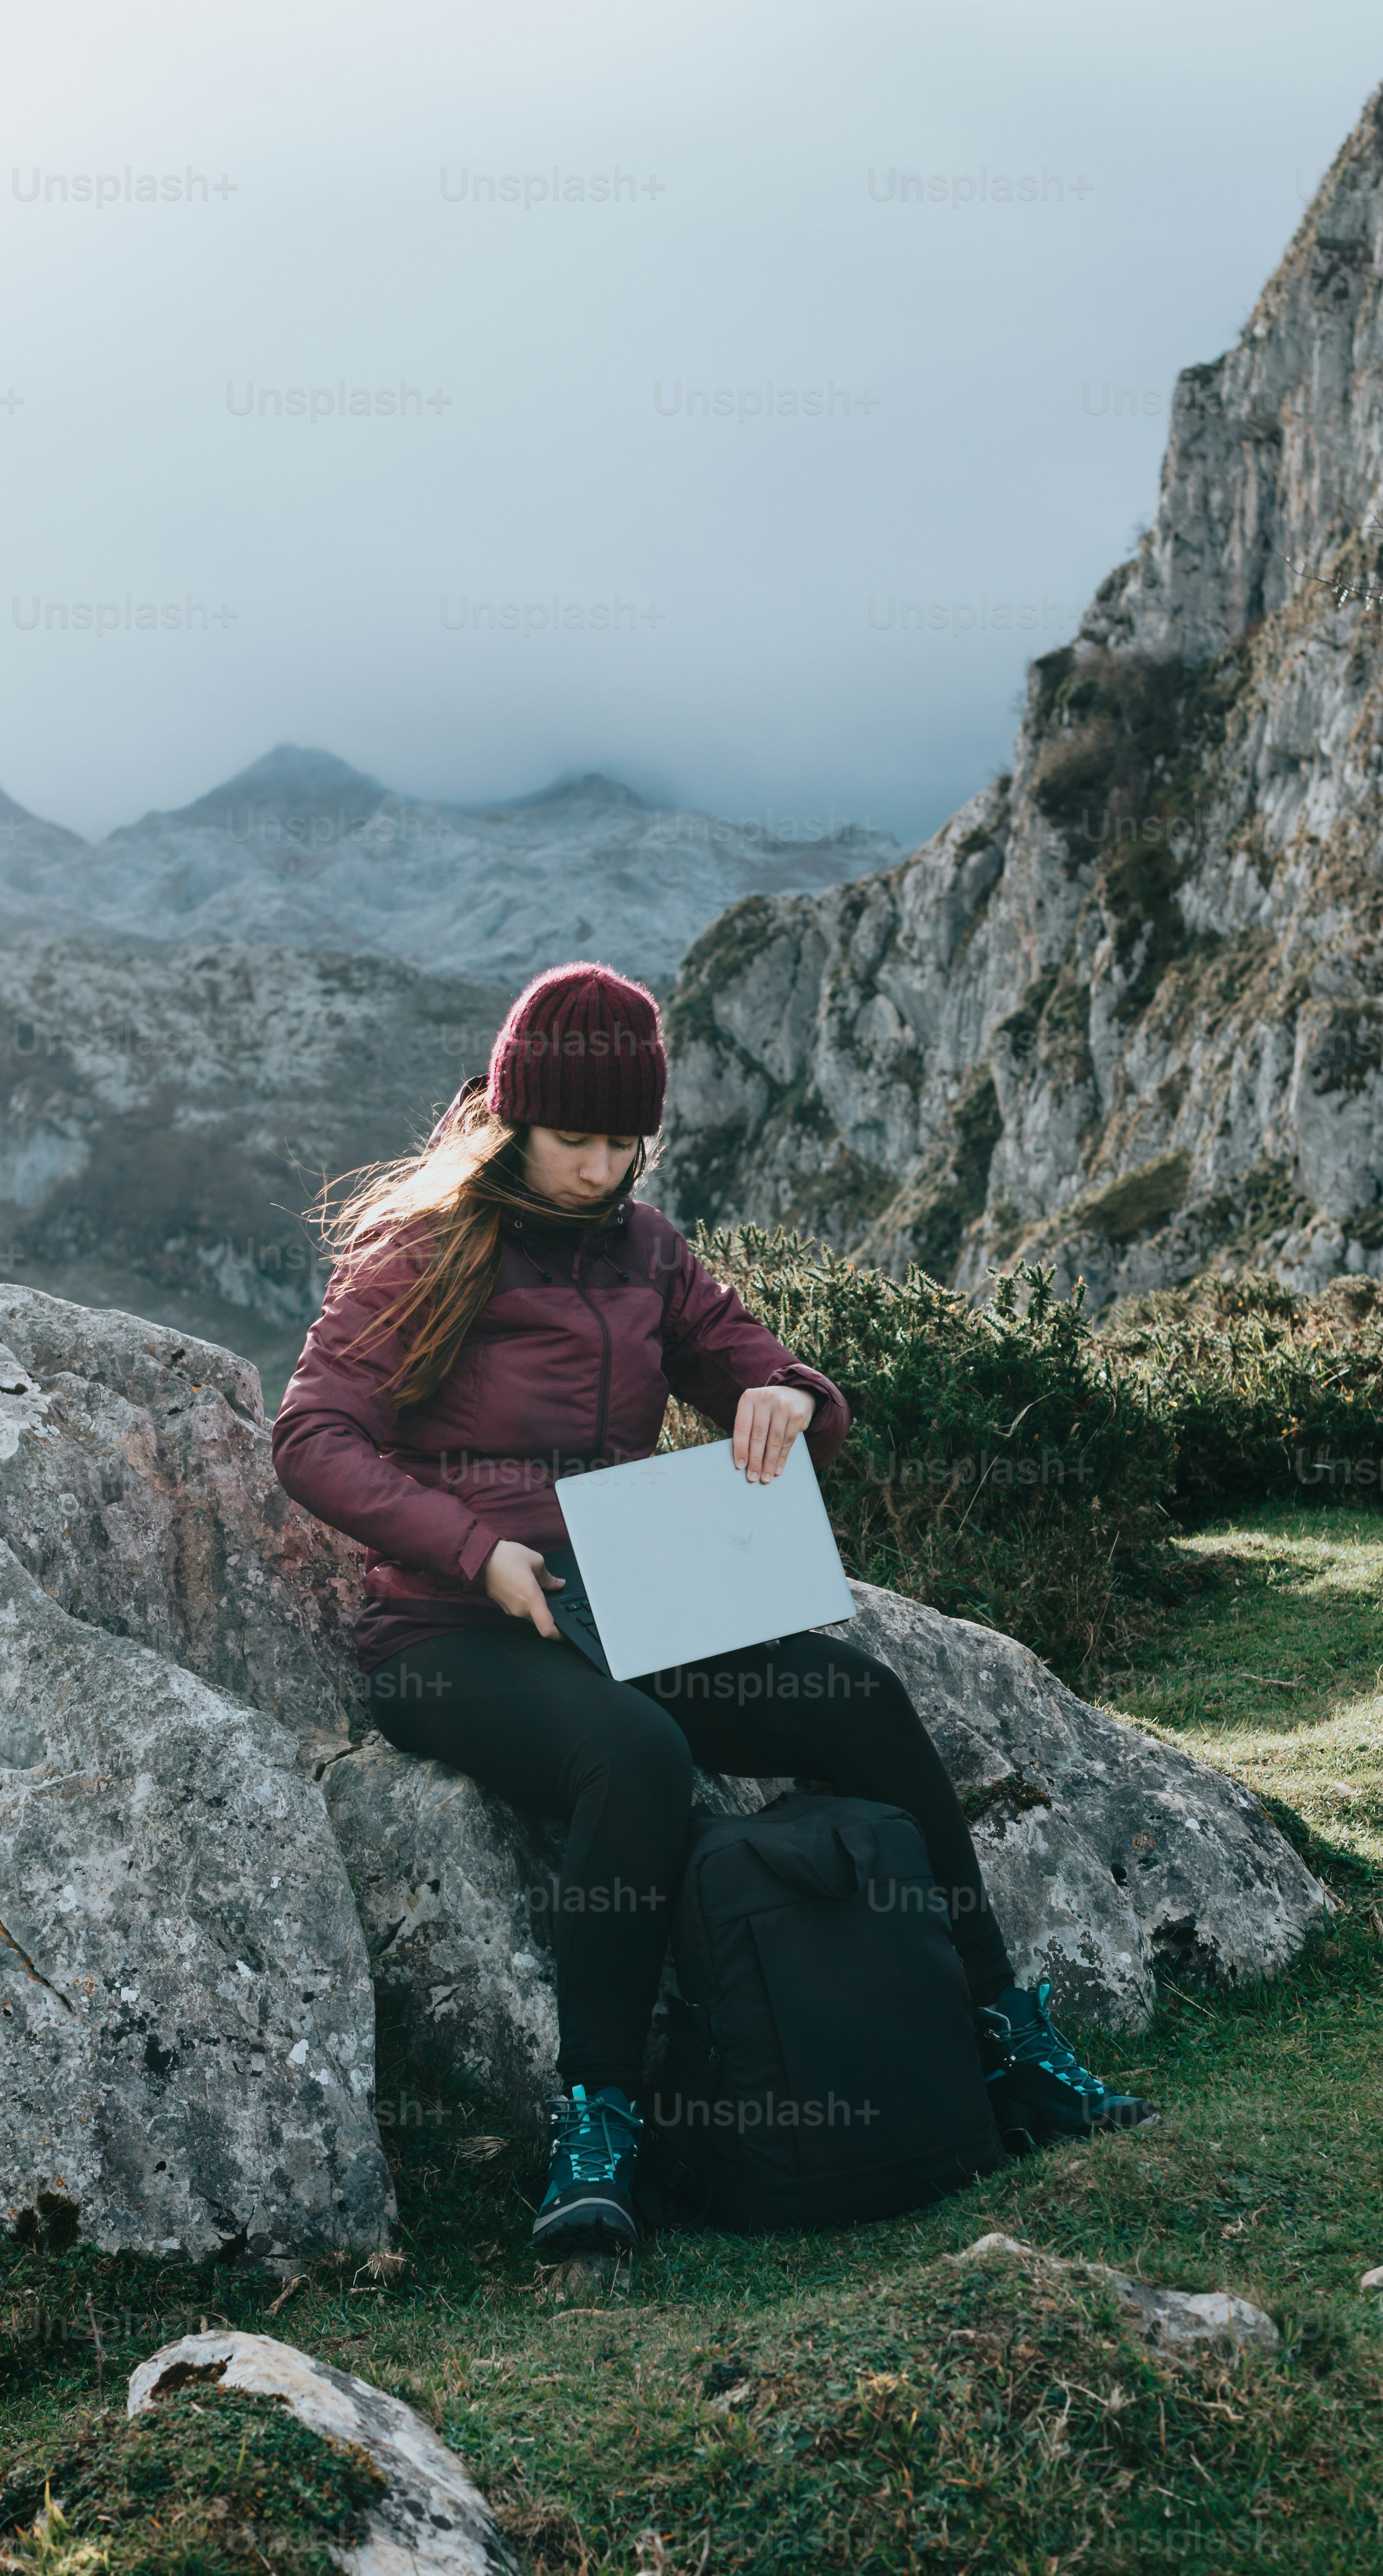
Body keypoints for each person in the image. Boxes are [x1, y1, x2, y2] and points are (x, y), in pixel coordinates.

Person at [272, 960, 1152, 2253]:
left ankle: (1000, 2037)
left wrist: (794, 1396)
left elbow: (772, 1375)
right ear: (510, 1121)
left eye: (626, 1144)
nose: (599, 1170)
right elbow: (312, 1436)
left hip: (625, 1605)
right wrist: (475, 1551)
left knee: (856, 1700)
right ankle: (599, 2127)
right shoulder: (423, 1249)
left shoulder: (651, 1253)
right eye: (575, 1141)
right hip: (448, 1631)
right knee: (638, 1756)